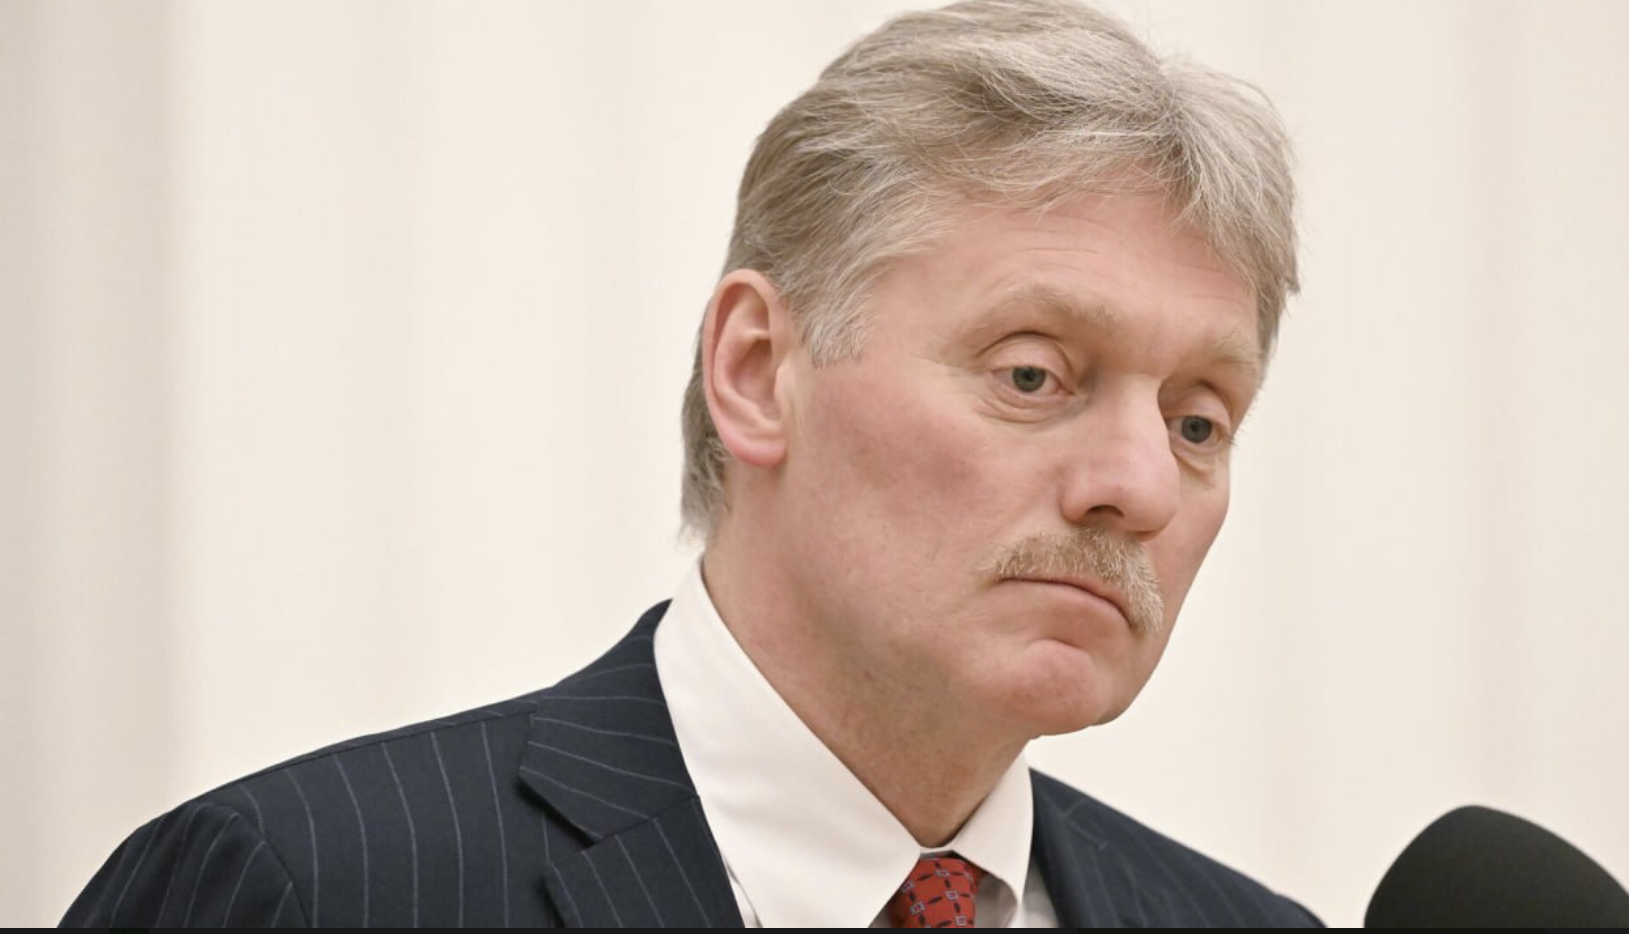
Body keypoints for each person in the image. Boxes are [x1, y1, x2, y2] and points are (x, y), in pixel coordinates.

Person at [63, 0, 1317, 926]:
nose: (1138, 485)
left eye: (1198, 422)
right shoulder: (313, 885)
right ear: (758, 371)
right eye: (1032, 375)